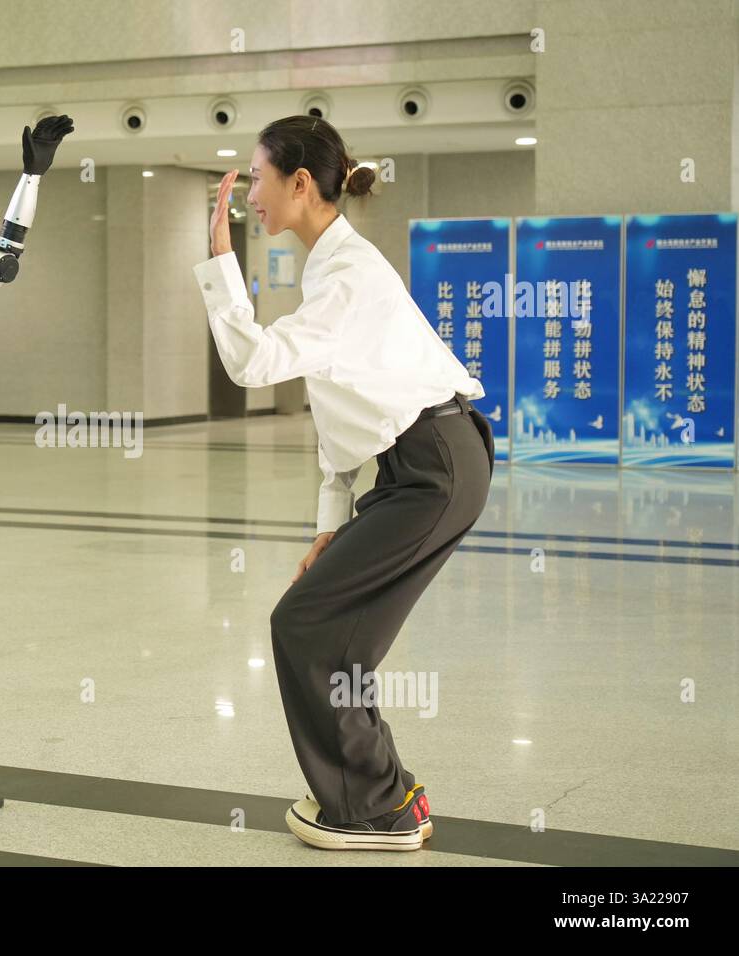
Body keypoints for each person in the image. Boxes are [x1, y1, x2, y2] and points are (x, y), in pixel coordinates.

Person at [192, 115, 495, 851]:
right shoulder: (330, 267)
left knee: (304, 626)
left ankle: (375, 807)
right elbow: (340, 411)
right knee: (333, 632)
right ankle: (384, 796)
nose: (250, 194)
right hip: (425, 463)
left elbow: (253, 364)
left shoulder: (349, 274)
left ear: (300, 184)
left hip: (434, 465)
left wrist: (218, 261)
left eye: (258, 177)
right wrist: (330, 525)